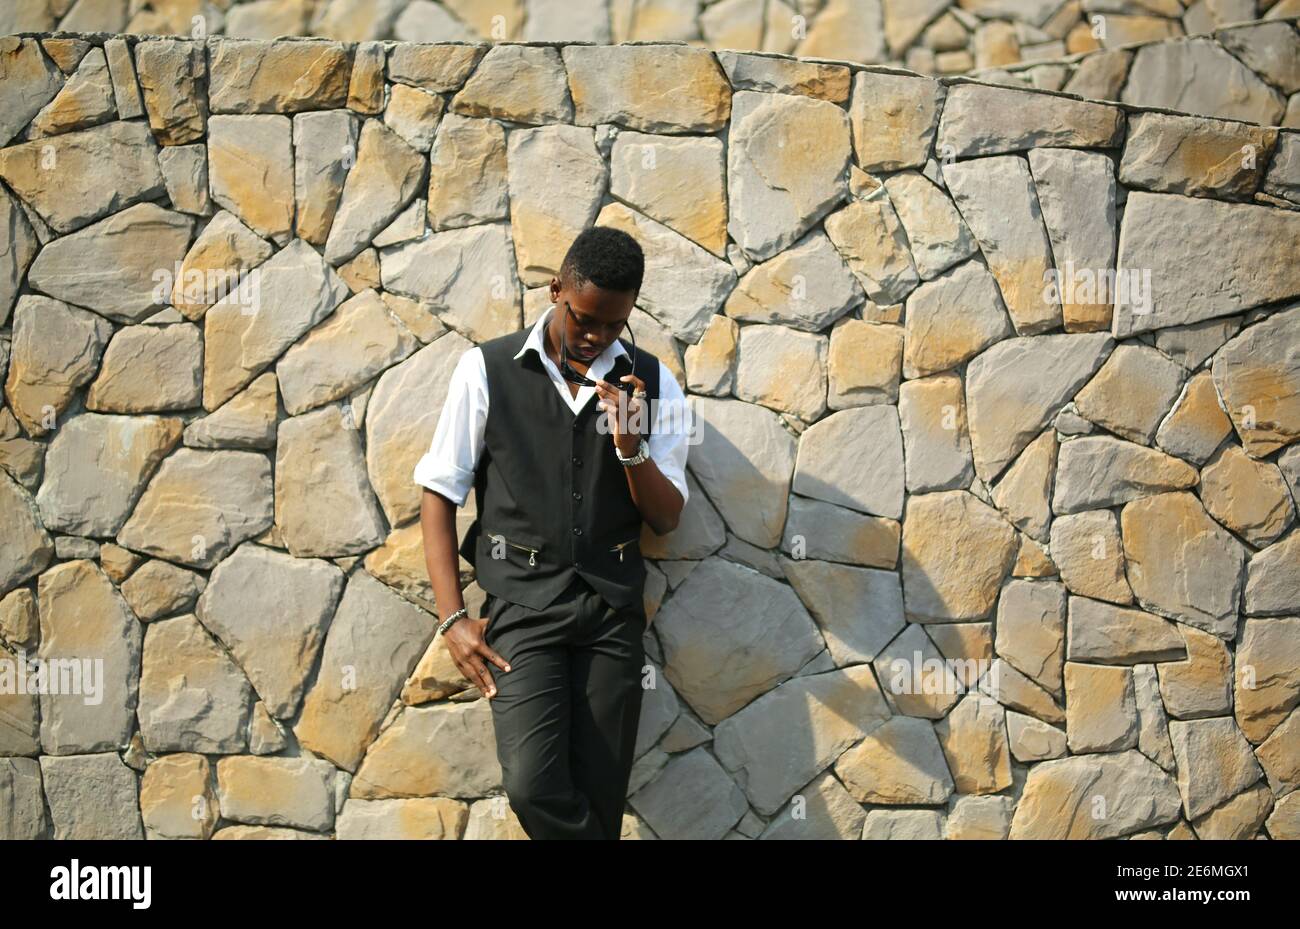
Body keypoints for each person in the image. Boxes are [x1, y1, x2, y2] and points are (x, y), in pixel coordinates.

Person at [413, 225, 691, 839]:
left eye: (612, 326)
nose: (595, 337)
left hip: (610, 609)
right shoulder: (486, 369)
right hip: (522, 605)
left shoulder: (651, 383)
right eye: (584, 318)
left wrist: (630, 446)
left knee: (600, 792)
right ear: (556, 289)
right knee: (533, 784)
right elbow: (439, 493)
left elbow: (667, 518)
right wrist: (452, 618)